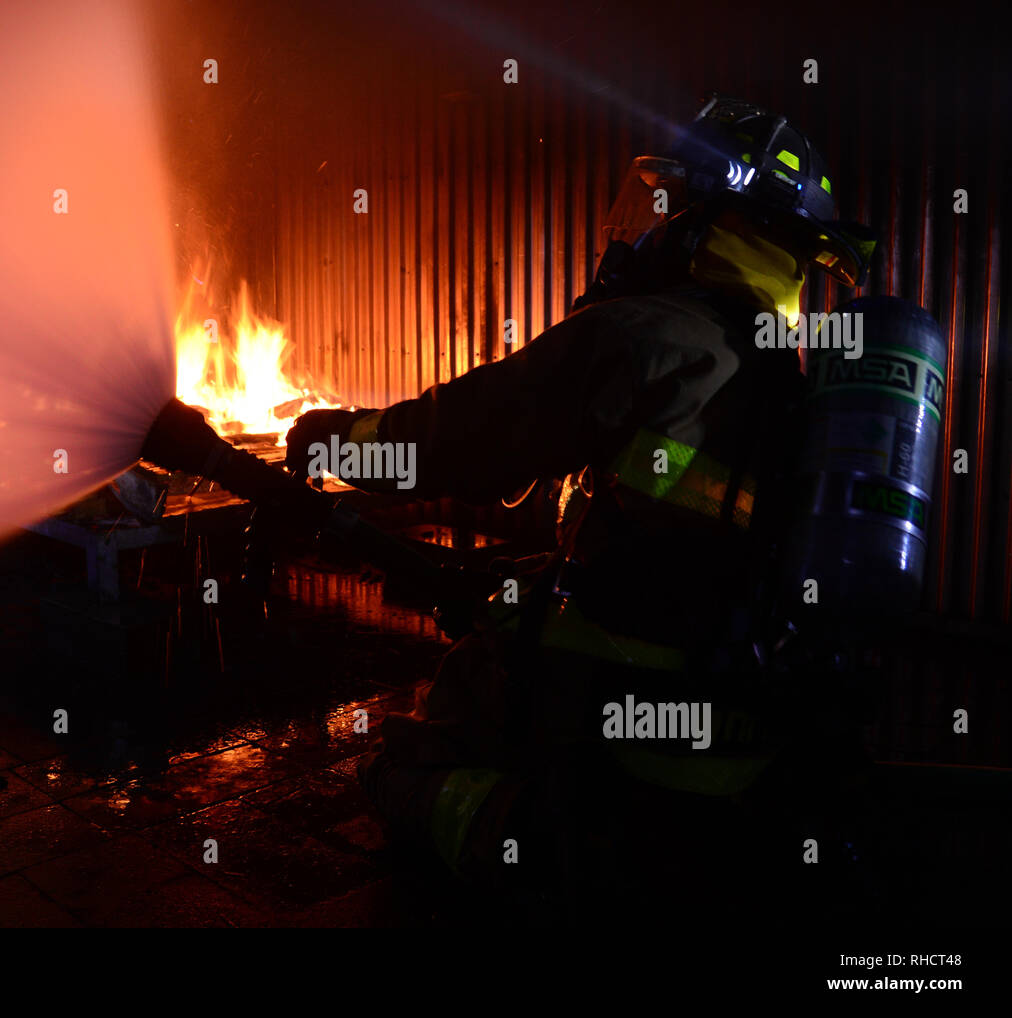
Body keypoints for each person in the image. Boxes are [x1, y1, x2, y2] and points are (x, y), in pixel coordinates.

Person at [284, 94, 878, 905]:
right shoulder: (783, 371)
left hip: (630, 763)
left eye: (667, 204)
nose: (647, 225)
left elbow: (460, 437)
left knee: (402, 765)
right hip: (744, 744)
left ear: (710, 219)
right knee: (512, 607)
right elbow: (676, 543)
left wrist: (332, 440)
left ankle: (529, 850)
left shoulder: (647, 336)